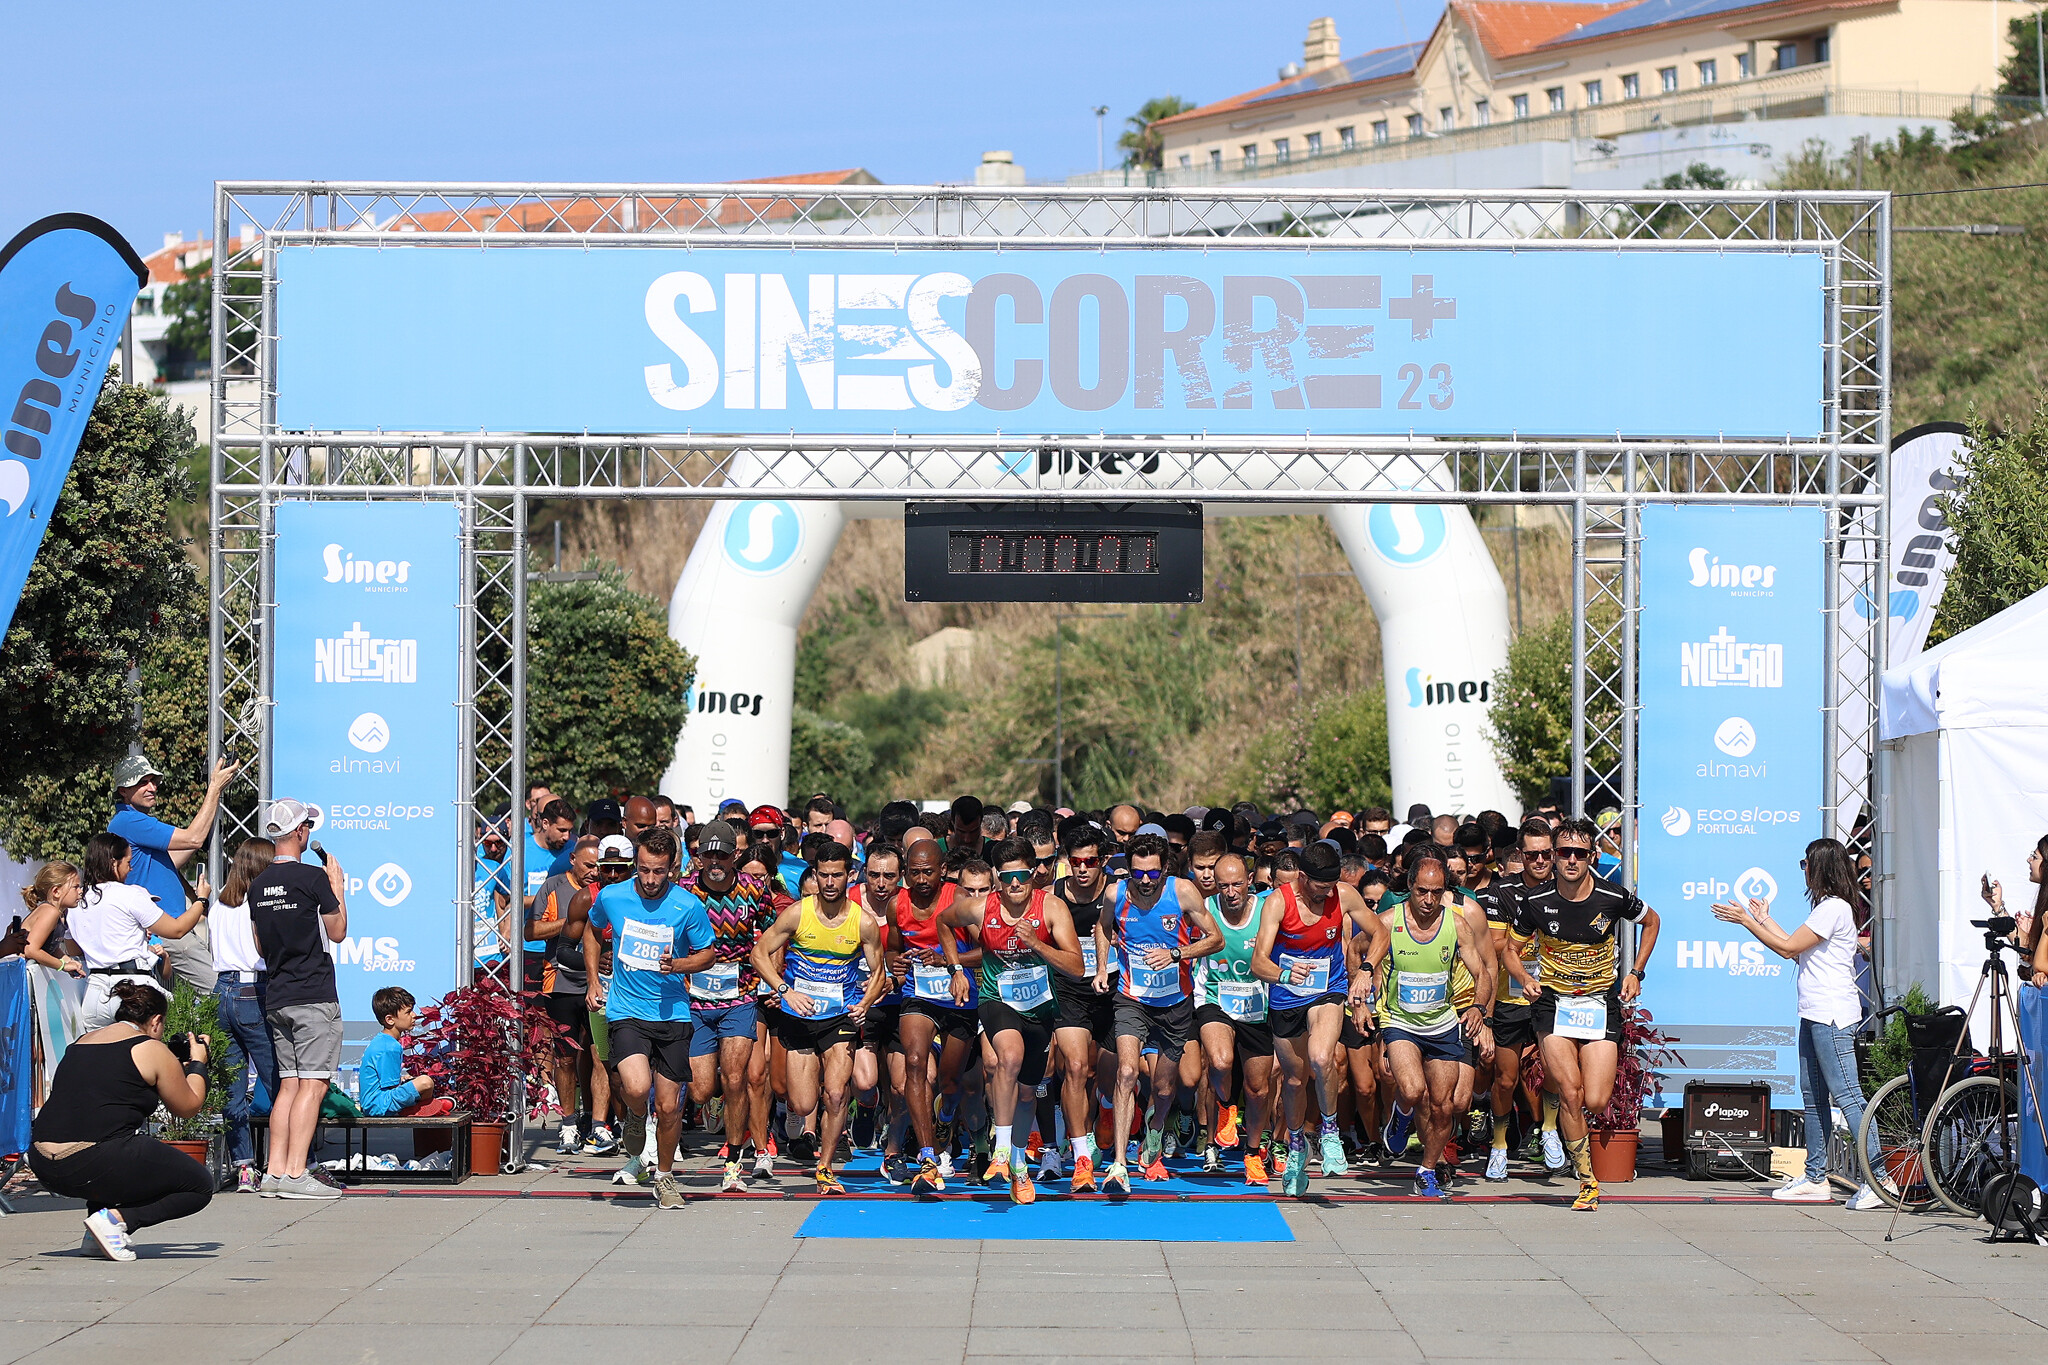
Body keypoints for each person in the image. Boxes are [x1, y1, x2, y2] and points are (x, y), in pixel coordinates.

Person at [1713, 839, 1883, 1209]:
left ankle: (1880, 1179)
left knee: (1848, 1096)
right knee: (1813, 1096)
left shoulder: (1833, 908)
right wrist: (1763, 919)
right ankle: (1816, 1175)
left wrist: (1746, 922)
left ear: (1819, 867)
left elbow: (1788, 949)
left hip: (1831, 1014)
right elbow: (1797, 948)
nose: (1803, 868)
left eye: (1805, 862)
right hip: (1815, 1012)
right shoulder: (1828, 907)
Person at [1507, 815, 1659, 1212]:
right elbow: (1509, 948)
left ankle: (1563, 1115)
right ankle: (1586, 1179)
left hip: (1599, 1004)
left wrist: (1636, 972)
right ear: (1554, 857)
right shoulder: (1536, 902)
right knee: (1571, 1093)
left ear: (1592, 855)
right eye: (1564, 853)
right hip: (1554, 1004)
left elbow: (1653, 921)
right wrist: (1523, 976)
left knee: (1594, 1099)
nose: (1571, 860)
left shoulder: (1613, 896)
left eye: (1579, 852)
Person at [27, 981, 215, 1261]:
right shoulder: (149, 1048)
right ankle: (115, 1221)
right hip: (94, 1159)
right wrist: (199, 1063)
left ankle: (95, 1236)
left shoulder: (80, 1043)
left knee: (111, 1137)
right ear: (156, 1021)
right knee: (199, 1184)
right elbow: (188, 1107)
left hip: (44, 1161)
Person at [580, 826, 715, 1208]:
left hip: (673, 1014)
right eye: (643, 870)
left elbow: (708, 955)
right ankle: (636, 1117)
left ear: (673, 867)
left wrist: (679, 966)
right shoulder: (612, 896)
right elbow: (592, 931)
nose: (650, 879)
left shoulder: (687, 906)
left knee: (670, 1107)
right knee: (637, 1088)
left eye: (658, 871)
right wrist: (593, 981)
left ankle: (666, 1177)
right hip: (626, 1010)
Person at [947, 844, 1085, 1204]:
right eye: (1006, 878)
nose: (1014, 885)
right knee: (1008, 1057)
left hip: (1039, 1008)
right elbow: (943, 923)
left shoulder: (1051, 907)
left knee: (1028, 1092)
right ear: (997, 878)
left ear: (1033, 873)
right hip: (997, 999)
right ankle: (1002, 1150)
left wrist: (1037, 945)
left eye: (1021, 876)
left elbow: (1076, 967)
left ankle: (1020, 1166)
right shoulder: (981, 907)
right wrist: (956, 969)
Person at [751, 841, 886, 1195]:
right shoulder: (797, 914)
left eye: (837, 875)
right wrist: (785, 991)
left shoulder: (863, 922)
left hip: (840, 1017)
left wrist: (866, 1003)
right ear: (816, 875)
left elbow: (879, 973)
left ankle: (825, 1167)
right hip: (799, 1015)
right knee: (803, 1103)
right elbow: (758, 953)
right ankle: (799, 1120)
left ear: (847, 875)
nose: (829, 882)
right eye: (823, 875)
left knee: (838, 1094)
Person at [1254, 840, 1383, 1196]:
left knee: (1322, 1057)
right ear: (1301, 877)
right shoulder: (1279, 901)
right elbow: (1258, 962)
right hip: (1286, 996)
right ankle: (1297, 1146)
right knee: (1294, 1081)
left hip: (1328, 989)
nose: (1324, 894)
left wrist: (1366, 969)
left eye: (1330, 887)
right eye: (1318, 887)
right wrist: (1282, 975)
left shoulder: (1343, 895)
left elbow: (1380, 933)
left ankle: (1329, 1132)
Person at [1365, 849, 1495, 1200]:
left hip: (1442, 1022)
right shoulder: (1390, 921)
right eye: (1422, 891)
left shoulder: (1456, 923)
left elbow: (1482, 972)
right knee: (1410, 1089)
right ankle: (1401, 1114)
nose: (1428, 899)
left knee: (1445, 1105)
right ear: (1409, 887)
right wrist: (1363, 996)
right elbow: (1359, 952)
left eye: (1436, 892)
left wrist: (1479, 1009)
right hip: (1400, 1020)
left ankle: (1426, 1170)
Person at [1105, 832, 1221, 1195]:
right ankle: (1120, 1165)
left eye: (1152, 874)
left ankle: (1155, 1132)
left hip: (1174, 1004)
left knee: (1164, 1086)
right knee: (1126, 1072)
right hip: (1131, 998)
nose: (1144, 880)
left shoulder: (1182, 892)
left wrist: (1177, 955)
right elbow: (1101, 926)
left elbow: (1215, 939)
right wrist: (1100, 965)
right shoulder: (1115, 894)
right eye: (1137, 873)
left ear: (1165, 870)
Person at [247, 798, 349, 1199]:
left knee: (288, 1085)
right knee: (313, 1085)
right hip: (313, 993)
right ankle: (294, 1174)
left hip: (278, 994)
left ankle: (274, 1173)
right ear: (301, 832)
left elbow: (259, 944)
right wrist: (338, 887)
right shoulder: (312, 878)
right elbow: (338, 931)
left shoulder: (257, 884)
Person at [679, 820, 778, 1192]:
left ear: (735, 855)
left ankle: (734, 1163)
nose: (716, 860)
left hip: (740, 994)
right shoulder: (685, 892)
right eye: (709, 854)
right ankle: (715, 1105)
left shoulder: (754, 889)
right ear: (699, 856)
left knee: (736, 1077)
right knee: (702, 1089)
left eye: (723, 854)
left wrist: (772, 976)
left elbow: (773, 932)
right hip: (694, 997)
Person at [106, 753, 238, 990]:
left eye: (154, 781)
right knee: (221, 993)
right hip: (167, 931)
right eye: (142, 782)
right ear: (123, 790)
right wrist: (215, 788)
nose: (152, 787)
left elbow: (173, 858)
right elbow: (193, 838)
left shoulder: (131, 822)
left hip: (168, 929)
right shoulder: (129, 821)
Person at [891, 839, 976, 1193]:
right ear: (905, 872)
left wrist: (949, 961)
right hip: (919, 995)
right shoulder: (899, 902)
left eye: (929, 871)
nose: (922, 879)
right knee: (914, 1062)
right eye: (914, 872)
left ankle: (944, 1119)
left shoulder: (958, 899)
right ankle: (927, 1156)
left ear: (942, 870)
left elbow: (987, 948)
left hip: (960, 996)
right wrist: (892, 963)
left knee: (950, 1081)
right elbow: (894, 947)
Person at [1195, 853, 1277, 1185]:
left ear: (1249, 882)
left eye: (1237, 884)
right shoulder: (1204, 910)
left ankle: (1253, 1153)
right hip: (1215, 998)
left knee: (1258, 1090)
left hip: (1258, 1004)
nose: (1231, 892)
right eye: (1224, 885)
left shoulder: (1266, 911)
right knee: (1220, 1059)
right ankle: (1227, 1107)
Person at [72, 833, 206, 1030]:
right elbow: (177, 930)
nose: (131, 868)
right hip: (134, 990)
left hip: (95, 994)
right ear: (113, 863)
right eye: (127, 862)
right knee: (168, 1043)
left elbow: (73, 948)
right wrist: (201, 900)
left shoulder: (77, 901)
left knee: (102, 1058)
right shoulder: (130, 894)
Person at [209, 837, 280, 1193]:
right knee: (277, 1080)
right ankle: (288, 1162)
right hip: (255, 989)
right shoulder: (261, 903)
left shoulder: (219, 904)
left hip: (221, 990)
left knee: (232, 1088)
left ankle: (244, 1167)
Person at [1051, 821, 1117, 1193]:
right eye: (1074, 861)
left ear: (1102, 861)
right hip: (1070, 988)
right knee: (1075, 1068)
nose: (1081, 869)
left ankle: (1106, 1105)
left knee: (1103, 1074)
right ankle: (1081, 1158)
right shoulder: (1055, 894)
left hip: (1110, 987)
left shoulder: (1118, 892)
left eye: (1089, 862)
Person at [535, 836, 601, 1153]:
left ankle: (597, 1123)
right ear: (573, 858)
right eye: (588, 865)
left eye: (599, 865)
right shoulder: (553, 887)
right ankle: (568, 1124)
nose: (594, 871)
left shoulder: (611, 892)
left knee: (598, 1055)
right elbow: (530, 931)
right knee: (564, 1056)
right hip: (560, 982)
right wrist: (572, 919)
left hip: (598, 984)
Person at [359, 987, 451, 1117]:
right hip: (379, 1106)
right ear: (390, 1019)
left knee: (418, 1082)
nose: (414, 1015)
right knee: (426, 1082)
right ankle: (419, 1109)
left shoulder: (383, 1041)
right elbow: (390, 1088)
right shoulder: (389, 1046)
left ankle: (424, 1108)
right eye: (408, 1012)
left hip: (376, 1104)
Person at [20, 861, 85, 978]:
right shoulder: (50, 912)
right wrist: (62, 966)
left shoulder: (63, 913)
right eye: (75, 887)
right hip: (18, 976)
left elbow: (50, 947)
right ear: (56, 891)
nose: (80, 891)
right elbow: (31, 949)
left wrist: (67, 961)